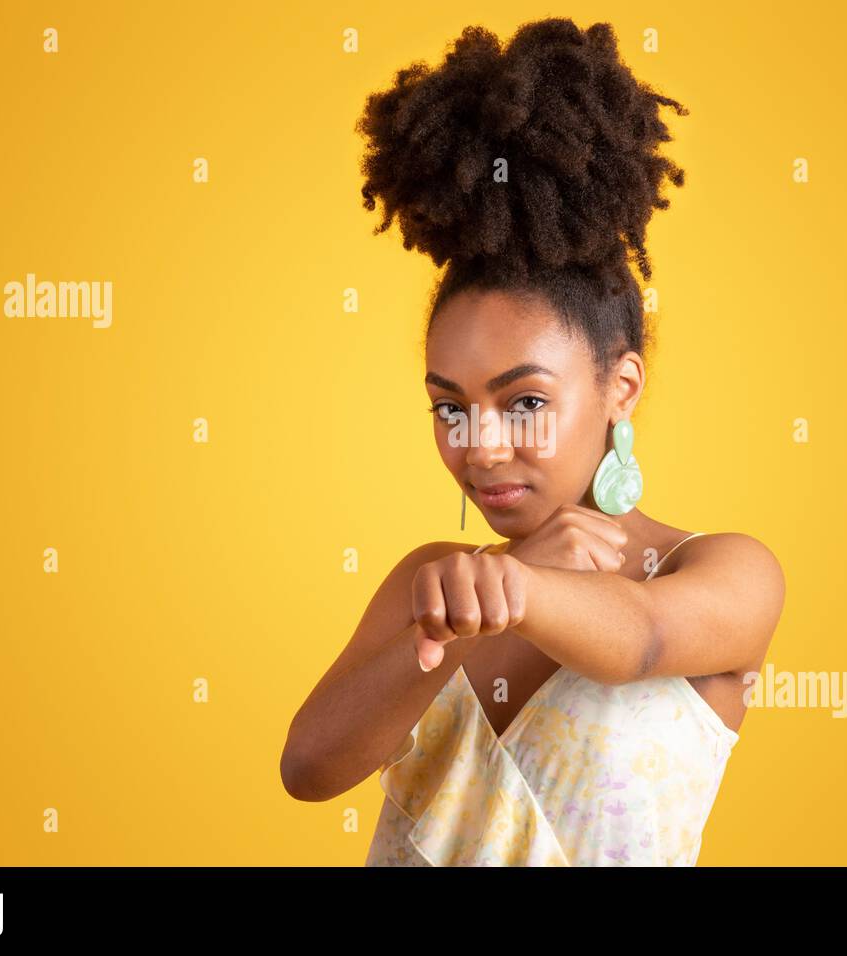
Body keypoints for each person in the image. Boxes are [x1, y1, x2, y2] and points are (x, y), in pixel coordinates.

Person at [280, 17, 785, 866]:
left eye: (523, 403)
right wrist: (452, 625)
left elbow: (641, 644)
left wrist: (515, 582)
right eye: (451, 407)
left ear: (619, 388)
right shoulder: (430, 584)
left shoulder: (722, 571)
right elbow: (310, 767)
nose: (478, 447)